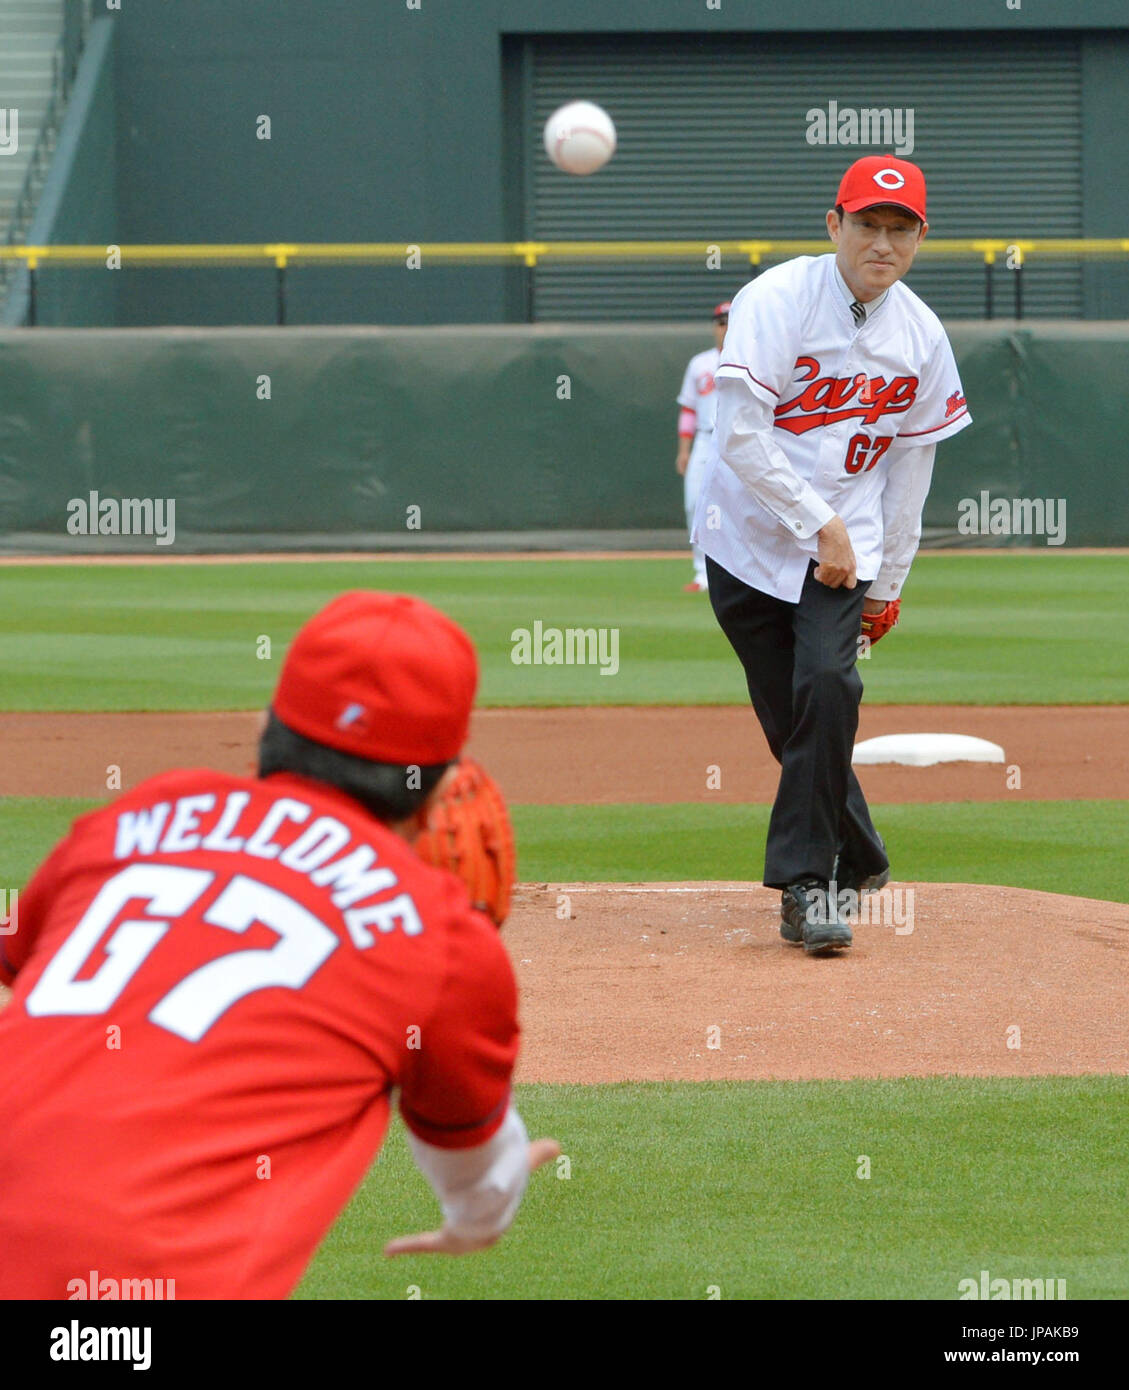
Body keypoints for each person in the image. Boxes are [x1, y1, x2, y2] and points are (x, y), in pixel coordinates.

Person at [0, 591, 558, 1299]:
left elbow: (29, 980)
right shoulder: (438, 933)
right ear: (441, 786)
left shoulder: (140, 814)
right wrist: (478, 1214)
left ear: (265, 726)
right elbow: (477, 1181)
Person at [691, 156, 972, 955]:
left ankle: (806, 887)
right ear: (833, 225)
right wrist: (819, 523)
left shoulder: (920, 335)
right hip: (745, 542)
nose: (880, 242)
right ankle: (864, 851)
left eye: (898, 229)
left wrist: (888, 583)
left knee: (825, 683)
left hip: (842, 555)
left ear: (919, 237)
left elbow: (911, 471)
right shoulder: (775, 300)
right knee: (791, 722)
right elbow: (740, 436)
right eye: (866, 225)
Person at [676, 300, 731, 591]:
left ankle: (737, 575)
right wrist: (683, 450)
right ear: (714, 328)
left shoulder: (755, 358)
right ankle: (702, 573)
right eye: (721, 323)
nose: (726, 328)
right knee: (694, 503)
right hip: (705, 438)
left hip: (737, 440)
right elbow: (688, 408)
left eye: (730, 322)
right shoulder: (700, 363)